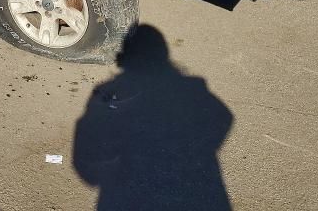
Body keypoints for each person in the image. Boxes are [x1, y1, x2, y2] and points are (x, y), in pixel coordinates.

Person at [74, 25, 233, 210]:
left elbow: (88, 157)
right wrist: (202, 148)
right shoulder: (190, 88)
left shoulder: (113, 91)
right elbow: (224, 116)